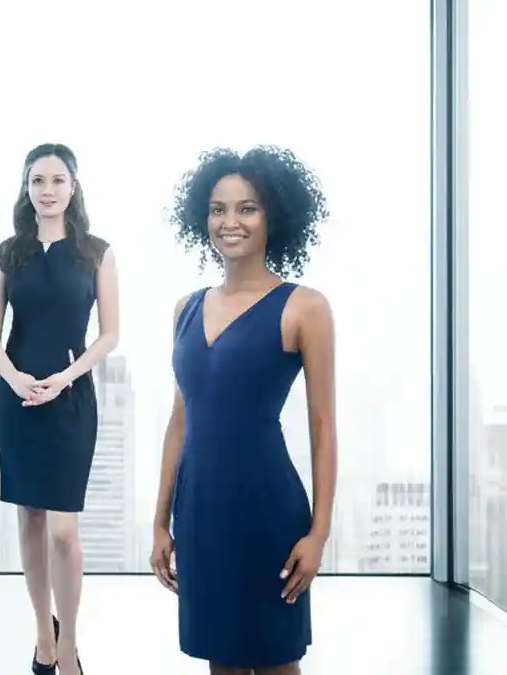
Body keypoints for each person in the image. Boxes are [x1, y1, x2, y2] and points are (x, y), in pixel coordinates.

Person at [150, 146, 337, 675]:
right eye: (218, 209)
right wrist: (160, 522)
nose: (229, 221)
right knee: (222, 662)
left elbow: (323, 427)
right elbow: (180, 422)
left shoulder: (305, 307)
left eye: (247, 208)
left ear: (274, 215)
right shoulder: (186, 308)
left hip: (267, 510)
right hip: (200, 512)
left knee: (277, 660)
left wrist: (318, 534)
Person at [0, 143, 119, 675]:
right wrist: (14, 377)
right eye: (38, 180)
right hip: (16, 400)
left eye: (57, 180)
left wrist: (65, 378)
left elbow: (109, 335)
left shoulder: (97, 253)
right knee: (31, 520)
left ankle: (68, 646)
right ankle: (44, 636)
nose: (47, 190)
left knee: (64, 530)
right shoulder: (6, 254)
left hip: (71, 398)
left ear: (73, 187)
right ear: (26, 188)